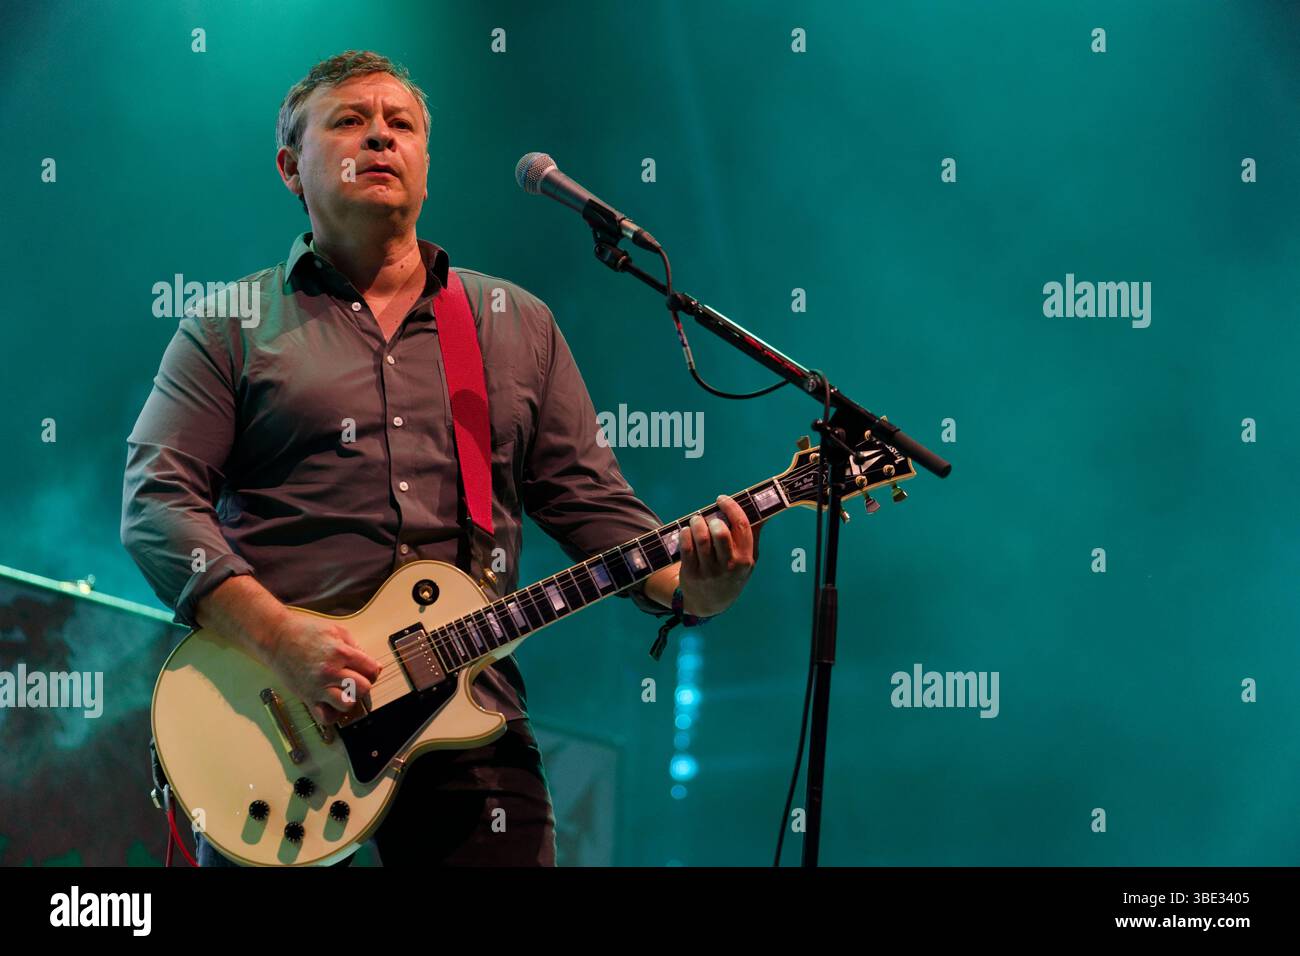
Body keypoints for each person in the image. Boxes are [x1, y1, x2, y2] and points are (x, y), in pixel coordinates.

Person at [120, 50, 761, 866]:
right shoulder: (230, 325)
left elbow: (598, 512)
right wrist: (285, 640)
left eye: (403, 126)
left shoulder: (514, 325)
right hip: (276, 727)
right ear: (291, 167)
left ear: (427, 164)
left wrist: (693, 589)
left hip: (470, 719)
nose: (381, 137)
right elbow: (155, 505)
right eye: (351, 120)